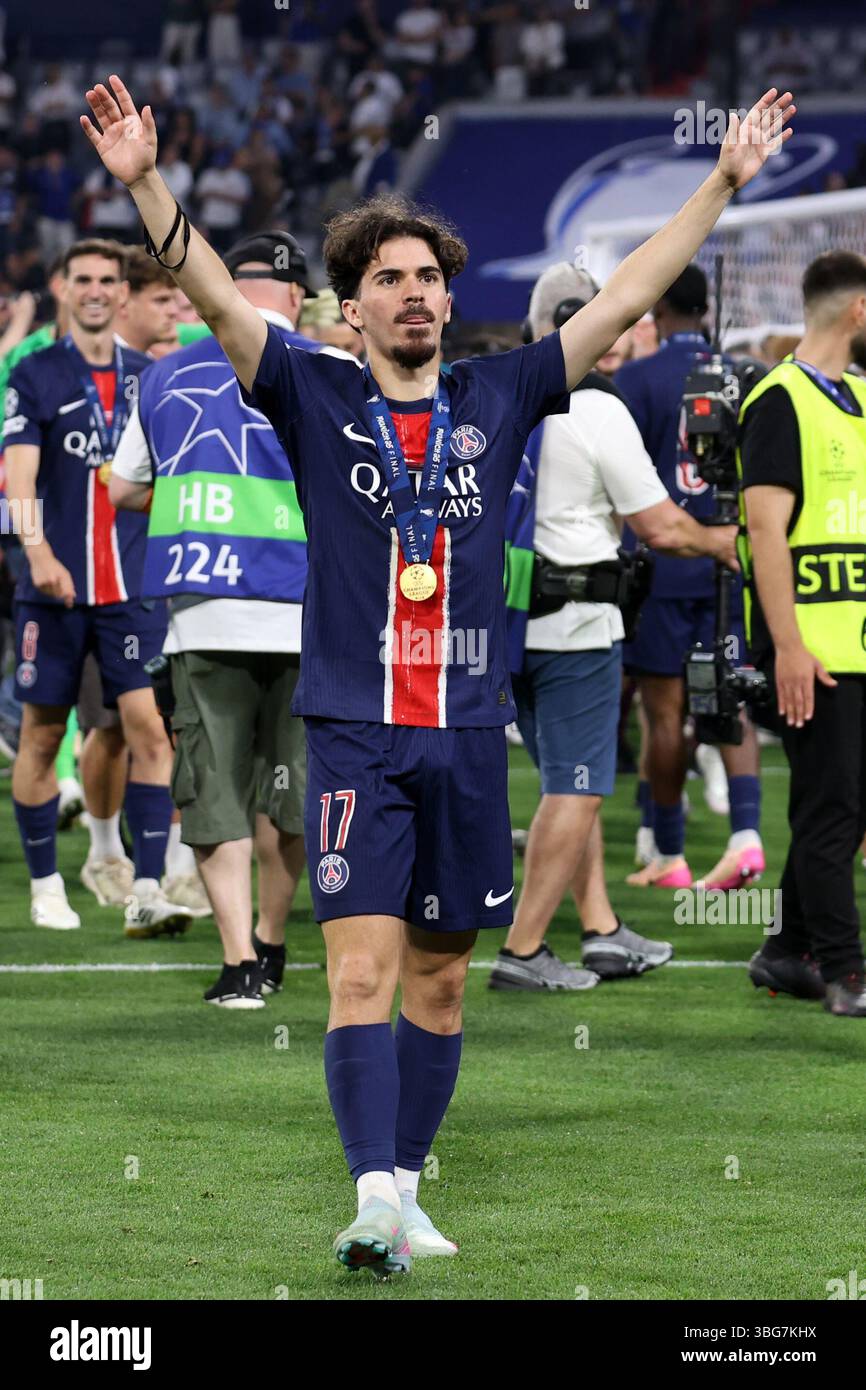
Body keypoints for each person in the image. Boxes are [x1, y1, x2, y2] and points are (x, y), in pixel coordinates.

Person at [80, 72, 794, 1275]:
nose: (413, 294)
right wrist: (146, 181)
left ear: (447, 299)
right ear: (347, 308)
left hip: (467, 732)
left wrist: (719, 182)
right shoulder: (307, 389)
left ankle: (405, 1187)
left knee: (445, 983)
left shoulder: (500, 390)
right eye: (388, 280)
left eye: (427, 278)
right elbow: (209, 287)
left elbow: (623, 289)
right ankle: (366, 1195)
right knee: (358, 969)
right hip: (353, 729)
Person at [109, 229, 354, 1007]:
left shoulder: (164, 376)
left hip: (202, 613)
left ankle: (240, 960)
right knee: (291, 793)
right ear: (293, 297)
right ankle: (277, 944)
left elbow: (121, 489)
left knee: (213, 793)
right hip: (307, 614)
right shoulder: (338, 370)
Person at [494, 263, 738, 992]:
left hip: (509, 628)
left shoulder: (497, 393)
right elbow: (661, 526)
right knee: (578, 788)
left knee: (570, 784)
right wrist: (726, 541)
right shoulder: (598, 409)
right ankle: (525, 948)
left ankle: (600, 928)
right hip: (576, 628)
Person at [4, 238, 191, 937]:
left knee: (151, 732)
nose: (94, 289)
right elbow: (17, 475)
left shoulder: (154, 376)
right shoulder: (36, 374)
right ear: (60, 287)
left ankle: (147, 886)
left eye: (107, 280)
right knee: (43, 734)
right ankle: (48, 884)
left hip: (134, 589)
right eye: (80, 277)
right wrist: (37, 549)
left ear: (122, 293)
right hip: (51, 591)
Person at [740, 251, 866, 1018]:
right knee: (830, 810)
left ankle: (786, 950)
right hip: (813, 645)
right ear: (856, 312)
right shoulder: (778, 398)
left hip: (857, 636)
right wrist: (787, 645)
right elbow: (765, 530)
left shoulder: (858, 398)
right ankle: (848, 972)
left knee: (845, 806)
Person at [615, 265, 765, 890]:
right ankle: (747, 837)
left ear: (658, 310)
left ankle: (670, 852)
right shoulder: (745, 377)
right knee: (731, 698)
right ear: (706, 310)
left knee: (665, 713)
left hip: (663, 566)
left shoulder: (635, 378)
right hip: (730, 560)